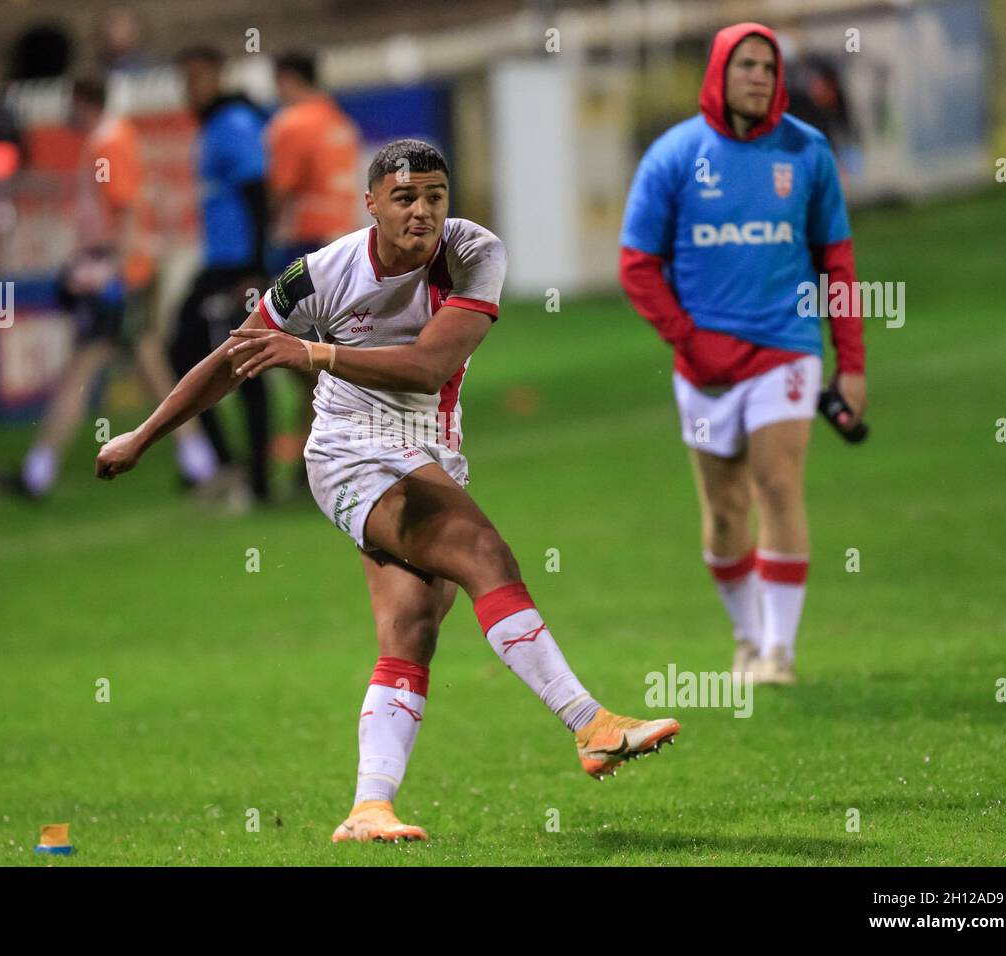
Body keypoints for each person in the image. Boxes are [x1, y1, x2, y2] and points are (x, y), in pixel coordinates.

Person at [96, 139, 681, 843]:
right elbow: (232, 358)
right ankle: (589, 723)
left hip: (431, 448)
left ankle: (369, 807)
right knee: (484, 553)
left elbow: (431, 365)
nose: (422, 212)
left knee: (412, 627)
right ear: (370, 203)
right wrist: (142, 435)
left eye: (435, 197)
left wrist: (317, 353)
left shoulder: (474, 252)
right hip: (349, 447)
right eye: (404, 198)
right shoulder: (321, 273)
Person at [618, 22, 867, 685]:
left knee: (778, 485)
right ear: (719, 73)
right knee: (724, 509)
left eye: (769, 65)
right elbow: (637, 264)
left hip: (786, 350)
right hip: (703, 365)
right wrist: (688, 339)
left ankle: (779, 651)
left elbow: (835, 263)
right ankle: (747, 637)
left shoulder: (806, 151)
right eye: (746, 65)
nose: (760, 76)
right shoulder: (674, 156)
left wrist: (853, 364)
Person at [16, 71, 200, 497]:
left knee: (81, 368)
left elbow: (126, 208)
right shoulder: (118, 138)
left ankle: (38, 470)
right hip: (125, 270)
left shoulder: (108, 143)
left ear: (82, 100)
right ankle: (198, 459)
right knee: (151, 367)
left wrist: (109, 272)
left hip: (116, 274)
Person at [169, 45, 271, 506]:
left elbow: (257, 195)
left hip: (235, 266)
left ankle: (251, 478)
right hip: (219, 262)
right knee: (200, 355)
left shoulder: (233, 124)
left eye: (198, 75)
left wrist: (254, 269)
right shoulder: (214, 126)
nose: (191, 87)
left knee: (240, 361)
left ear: (218, 74)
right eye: (185, 78)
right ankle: (237, 471)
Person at [266, 52, 363, 492]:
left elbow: (281, 194)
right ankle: (317, 468)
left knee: (301, 359)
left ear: (287, 79)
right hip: (344, 248)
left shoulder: (292, 124)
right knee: (320, 361)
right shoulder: (339, 122)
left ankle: (334, 456)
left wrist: (262, 244)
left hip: (305, 250)